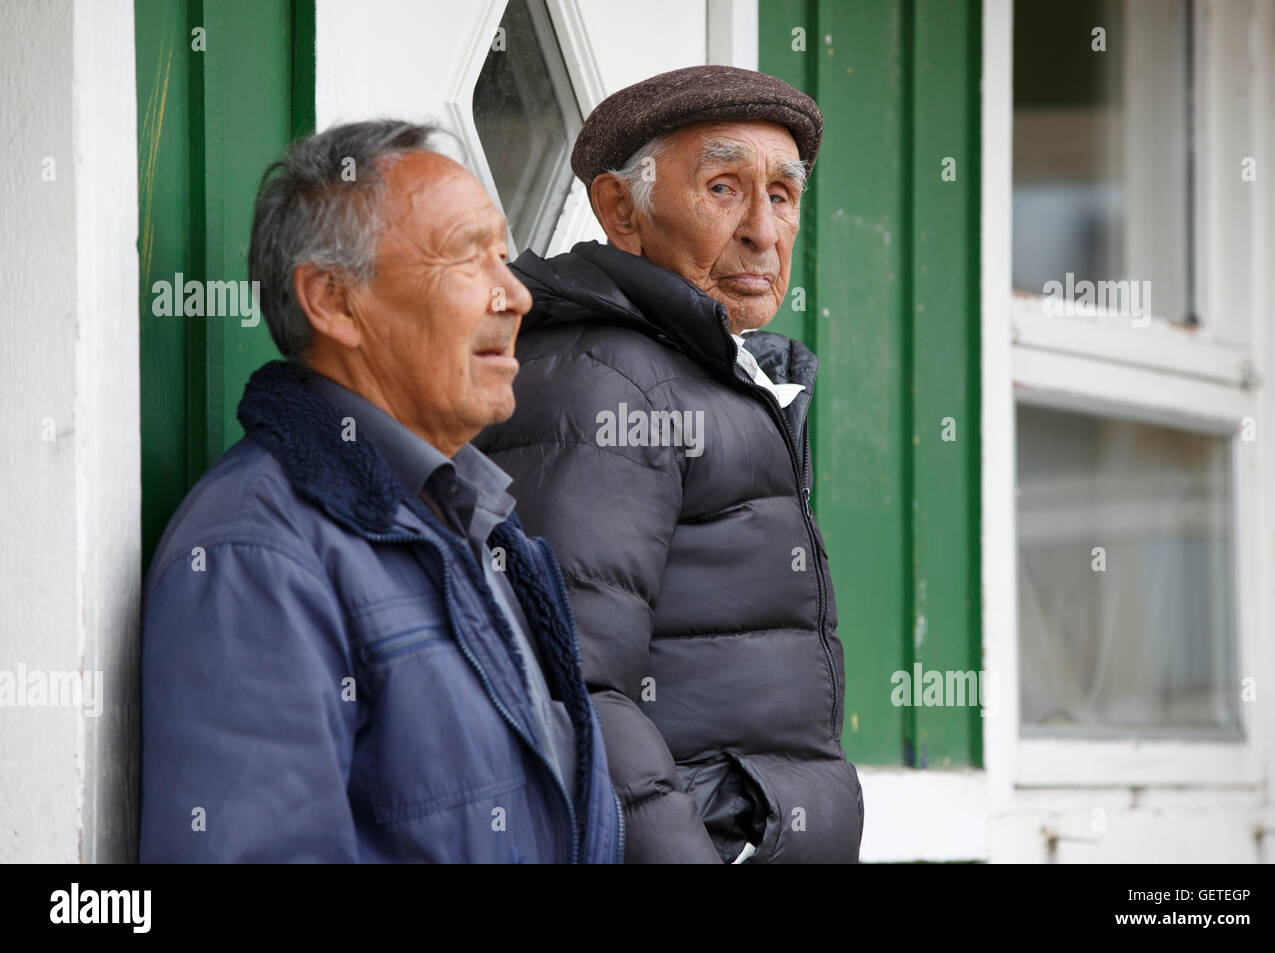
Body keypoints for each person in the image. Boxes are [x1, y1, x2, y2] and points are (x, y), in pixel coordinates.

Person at [140, 119, 623, 863]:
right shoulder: (254, 556)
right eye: (469, 257)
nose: (517, 295)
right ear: (334, 301)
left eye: (505, 256)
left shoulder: (471, 516)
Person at [476, 66, 863, 863]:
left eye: (783, 196)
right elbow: (574, 685)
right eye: (724, 187)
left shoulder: (718, 372)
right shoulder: (608, 383)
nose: (764, 229)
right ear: (622, 209)